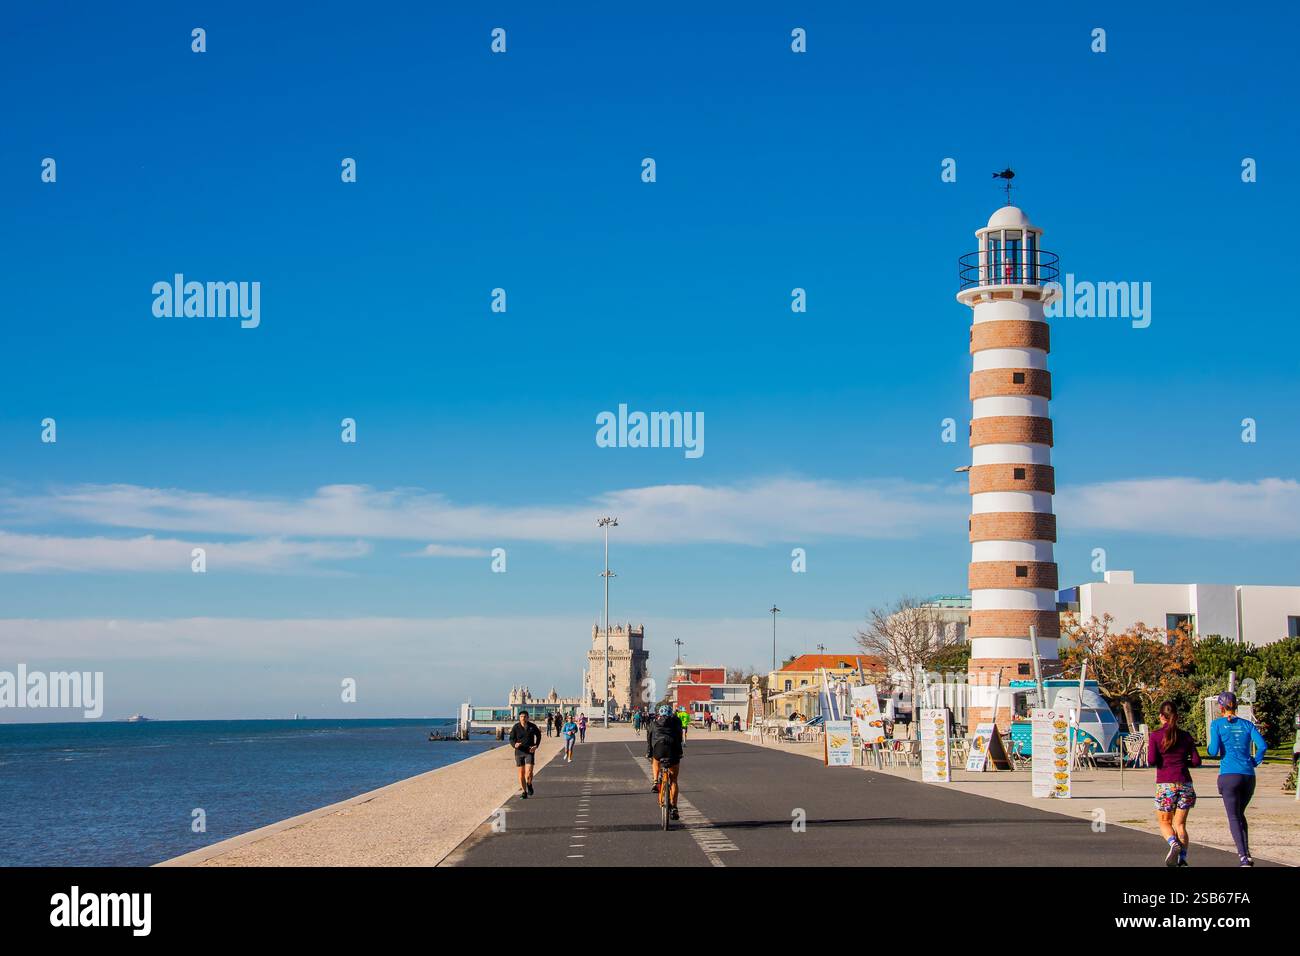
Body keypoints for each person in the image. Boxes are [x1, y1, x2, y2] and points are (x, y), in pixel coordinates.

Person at [1207, 691, 1267, 866]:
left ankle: (1243, 857)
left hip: (1229, 774)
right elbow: (1262, 746)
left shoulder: (1217, 724)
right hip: (1248, 775)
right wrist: (1255, 761)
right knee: (1240, 814)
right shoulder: (1247, 725)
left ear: (1220, 707)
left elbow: (1212, 750)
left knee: (1233, 817)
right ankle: (1246, 853)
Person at [1148, 700, 1202, 866]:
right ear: (1176, 716)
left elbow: (1151, 760)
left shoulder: (1156, 736)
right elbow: (1196, 760)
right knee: (1180, 824)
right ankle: (1183, 859)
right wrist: (1182, 762)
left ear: (1161, 716)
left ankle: (1173, 844)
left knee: (1164, 822)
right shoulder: (1185, 736)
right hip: (1185, 783)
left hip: (1165, 783)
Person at [646, 704, 684, 820]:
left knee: (655, 760)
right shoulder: (676, 722)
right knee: (674, 780)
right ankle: (674, 807)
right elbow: (679, 737)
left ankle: (655, 781)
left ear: (660, 714)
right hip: (673, 749)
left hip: (659, 748)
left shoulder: (654, 723)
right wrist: (680, 752)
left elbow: (649, 738)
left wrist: (649, 752)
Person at [509, 710, 541, 798]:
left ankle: (529, 784)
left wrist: (536, 746)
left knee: (529, 772)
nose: (523, 718)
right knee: (521, 774)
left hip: (529, 751)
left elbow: (538, 735)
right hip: (519, 752)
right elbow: (511, 739)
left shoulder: (532, 726)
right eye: (521, 716)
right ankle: (524, 792)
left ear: (527, 717)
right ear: (519, 718)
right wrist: (514, 744)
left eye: (524, 716)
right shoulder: (516, 727)